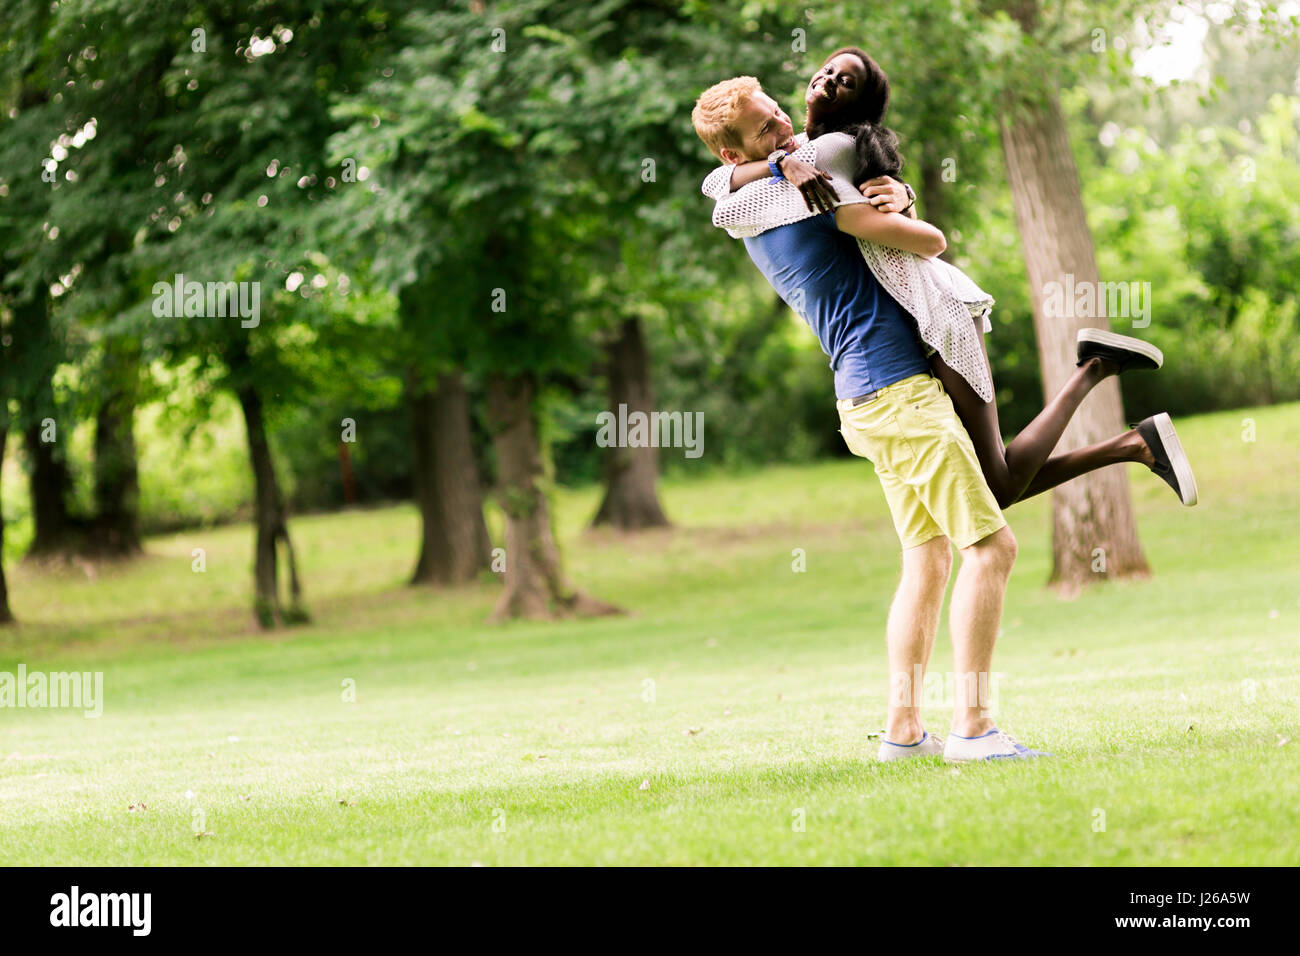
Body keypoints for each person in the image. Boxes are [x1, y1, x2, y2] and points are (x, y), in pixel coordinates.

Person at [690, 70, 1192, 765]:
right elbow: (916, 238)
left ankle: (903, 732)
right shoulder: (792, 193)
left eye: (779, 113)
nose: (783, 128)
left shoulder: (761, 193)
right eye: (764, 128)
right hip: (898, 394)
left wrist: (880, 188)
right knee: (991, 548)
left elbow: (740, 183)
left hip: (869, 400)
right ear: (733, 152)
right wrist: (862, 190)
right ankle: (974, 729)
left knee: (926, 559)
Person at [703, 51, 1199, 510]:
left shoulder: (826, 152)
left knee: (997, 485)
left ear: (857, 106)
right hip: (922, 316)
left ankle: (1098, 375)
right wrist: (780, 161)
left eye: (846, 82)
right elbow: (717, 184)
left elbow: (724, 200)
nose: (828, 81)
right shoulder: (798, 155)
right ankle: (1132, 441)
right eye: (829, 70)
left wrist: (888, 196)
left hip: (940, 310)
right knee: (994, 482)